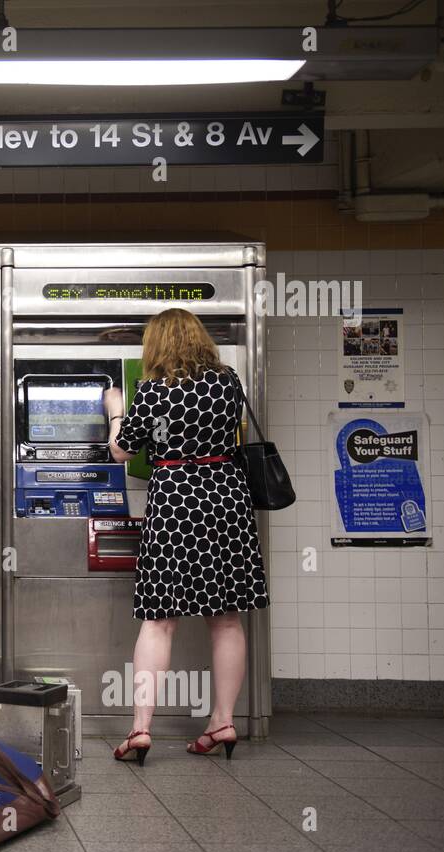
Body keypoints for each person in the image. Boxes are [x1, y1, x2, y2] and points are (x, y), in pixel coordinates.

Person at [103, 307, 269, 765]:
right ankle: (224, 719)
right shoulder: (228, 381)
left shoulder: (153, 392)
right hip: (226, 498)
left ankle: (140, 729)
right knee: (227, 619)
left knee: (159, 620)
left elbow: (121, 452)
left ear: (155, 346)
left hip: (176, 500)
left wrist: (116, 413)